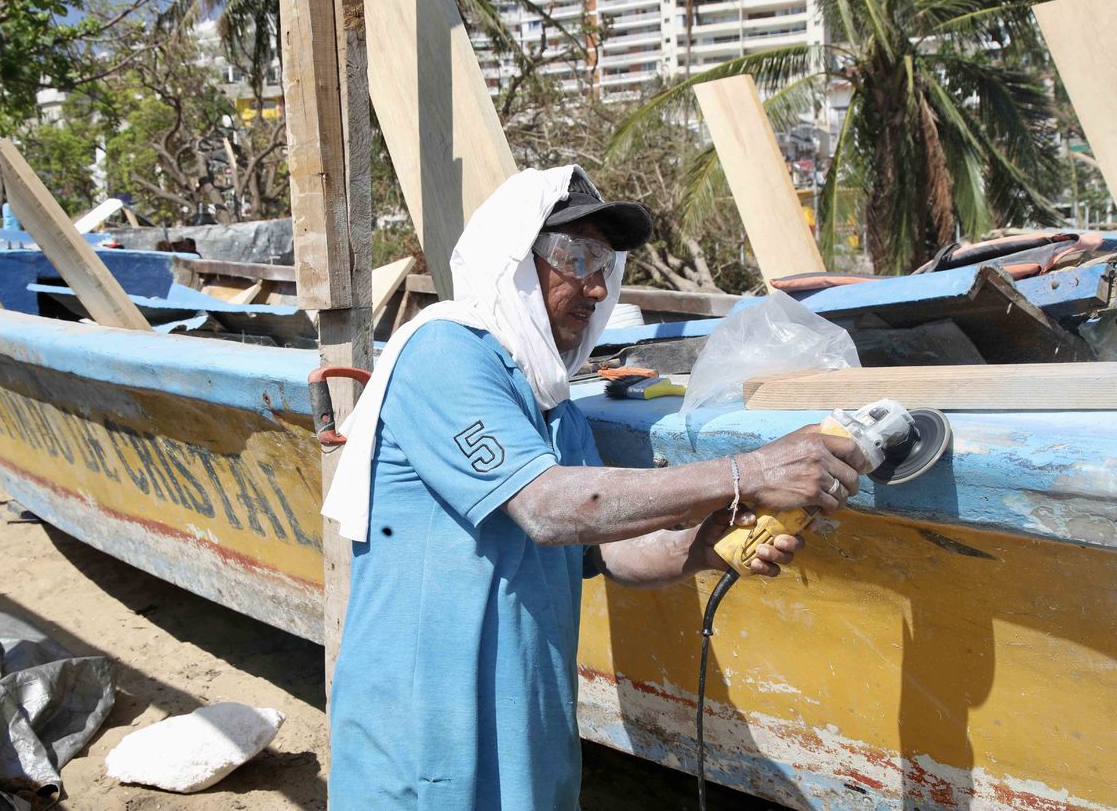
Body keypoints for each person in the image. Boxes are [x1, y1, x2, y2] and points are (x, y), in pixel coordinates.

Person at [325, 166, 865, 809]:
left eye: (605, 263)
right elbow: (549, 509)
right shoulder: (445, 353)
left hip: (528, 734)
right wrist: (748, 473)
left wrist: (703, 545)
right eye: (573, 256)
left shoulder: (554, 406)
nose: (593, 284)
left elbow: (598, 550)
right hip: (425, 733)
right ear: (515, 263)